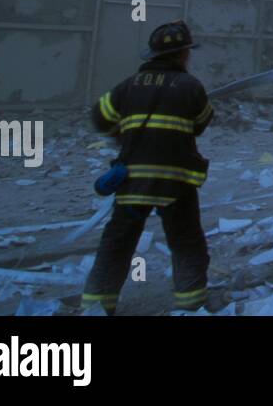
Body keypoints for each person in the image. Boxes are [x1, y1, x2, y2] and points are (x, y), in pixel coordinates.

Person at [81, 20, 214, 314]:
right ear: (183, 55)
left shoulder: (127, 87)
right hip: (175, 184)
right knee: (186, 242)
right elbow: (201, 124)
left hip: (132, 182)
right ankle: (190, 305)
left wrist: (126, 139)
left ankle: (96, 306)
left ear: (151, 55)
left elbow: (99, 117)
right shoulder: (191, 86)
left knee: (116, 245)